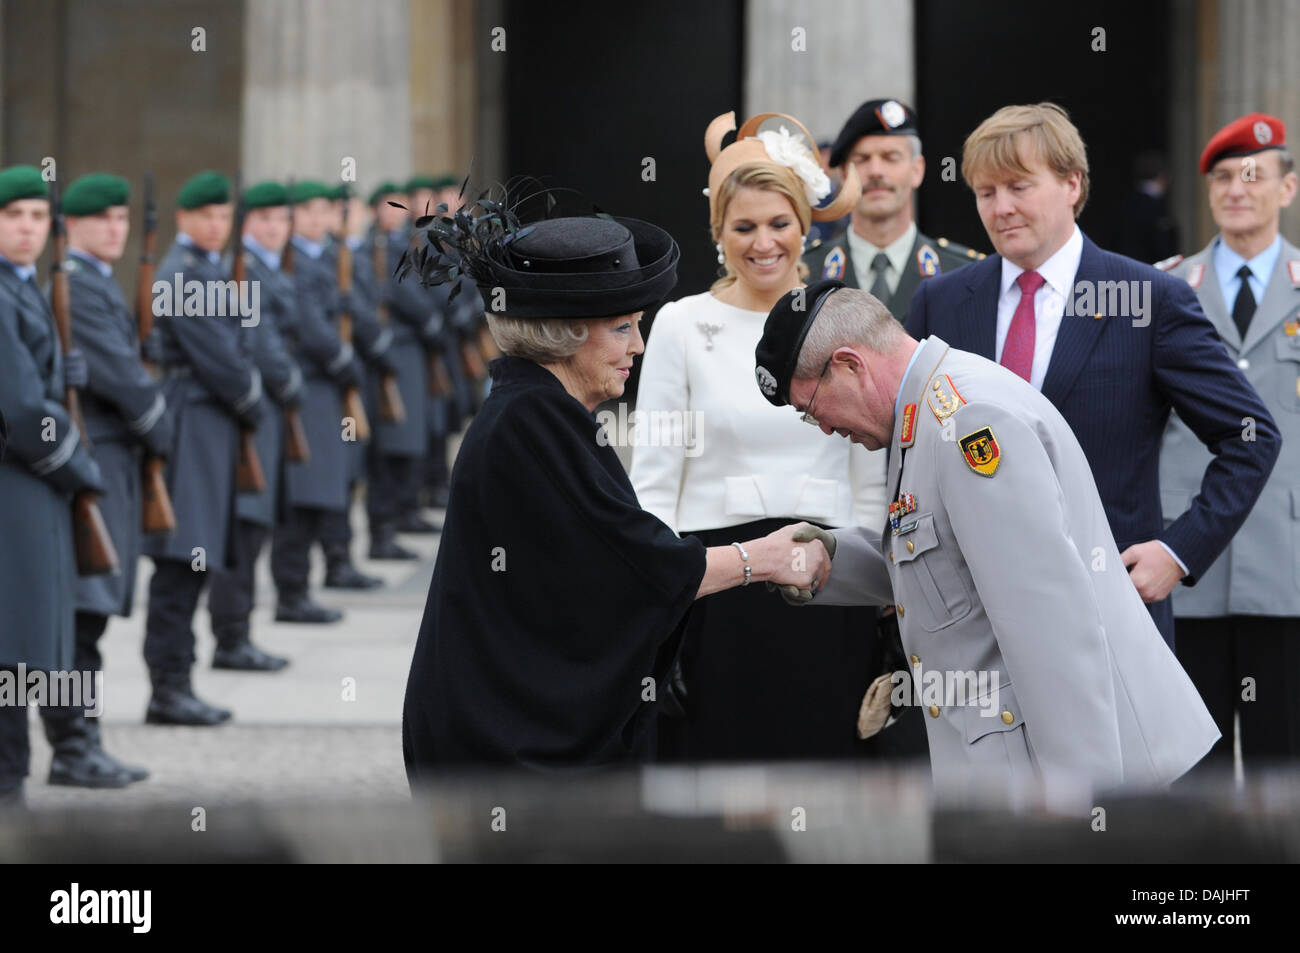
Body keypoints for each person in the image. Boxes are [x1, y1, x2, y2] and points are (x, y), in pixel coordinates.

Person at [401, 201, 831, 775]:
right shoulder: (530, 420)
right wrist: (763, 557)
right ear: (563, 334)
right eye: (622, 328)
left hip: (510, 728)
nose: (639, 347)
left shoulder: (543, 410)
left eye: (638, 325)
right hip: (504, 744)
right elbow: (635, 565)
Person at [755, 281, 1221, 799]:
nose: (822, 428)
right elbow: (946, 570)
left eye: (811, 407)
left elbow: (1049, 623)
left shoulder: (967, 421)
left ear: (850, 365)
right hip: (1012, 761)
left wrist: (1085, 805)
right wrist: (827, 558)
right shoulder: (926, 414)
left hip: (1061, 775)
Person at [905, 103, 1281, 648]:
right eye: (986, 193)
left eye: (1018, 187)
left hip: (1109, 616)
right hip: (974, 619)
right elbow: (910, 453)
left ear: (1072, 184)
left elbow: (1251, 436)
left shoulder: (1148, 299)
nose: (1001, 208)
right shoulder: (940, 302)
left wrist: (1178, 552)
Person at [631, 110, 890, 761]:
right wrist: (661, 614)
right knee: (720, 793)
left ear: (805, 225)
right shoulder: (681, 324)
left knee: (829, 783)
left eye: (779, 223)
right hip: (717, 593)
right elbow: (654, 485)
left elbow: (871, 480)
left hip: (830, 582)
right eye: (743, 226)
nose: (763, 242)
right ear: (718, 230)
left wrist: (879, 601)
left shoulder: (848, 318)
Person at [1158, 112, 1300, 772]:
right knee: (1191, 768)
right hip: (1187, 559)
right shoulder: (1164, 291)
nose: (1236, 189)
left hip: (1288, 565)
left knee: (1284, 768)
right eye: (1222, 176)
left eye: (1253, 175)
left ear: (1287, 188)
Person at [41, 173, 169, 784]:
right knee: (80, 620)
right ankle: (72, 747)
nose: (116, 229)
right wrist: (159, 427)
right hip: (96, 460)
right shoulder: (79, 290)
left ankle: (81, 742)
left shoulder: (93, 284)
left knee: (85, 619)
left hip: (109, 462)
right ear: (74, 226)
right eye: (105, 221)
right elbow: (123, 378)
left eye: (122, 219)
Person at [0, 165, 104, 804]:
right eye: (14, 216)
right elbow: (17, 410)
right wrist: (79, 464)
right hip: (19, 485)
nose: (28, 228)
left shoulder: (23, 288)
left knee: (25, 642)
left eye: (38, 217)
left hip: (30, 489)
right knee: (12, 644)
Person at [143, 170, 262, 725]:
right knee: (180, 564)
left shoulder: (207, 269)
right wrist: (253, 397)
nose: (218, 225)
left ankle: (178, 683)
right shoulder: (185, 273)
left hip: (209, 425)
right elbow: (221, 360)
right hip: (193, 423)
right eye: (207, 216)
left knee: (196, 561)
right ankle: (168, 687)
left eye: (223, 216)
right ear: (183, 219)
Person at [205, 180, 301, 670]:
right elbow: (262, 347)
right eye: (263, 220)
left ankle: (238, 632)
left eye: (280, 220)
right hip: (255, 414)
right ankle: (230, 637)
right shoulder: (247, 273)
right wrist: (291, 384)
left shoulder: (264, 269)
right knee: (244, 529)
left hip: (265, 415)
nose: (273, 228)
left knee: (255, 527)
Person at [270, 179, 360, 622]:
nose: (315, 219)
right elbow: (309, 326)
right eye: (306, 211)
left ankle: (305, 584)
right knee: (301, 492)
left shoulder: (326, 257)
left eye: (322, 210)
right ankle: (291, 590)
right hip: (306, 384)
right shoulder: (291, 263)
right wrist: (342, 357)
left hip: (323, 390)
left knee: (324, 485)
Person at [804, 99, 983, 323]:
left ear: (917, 171)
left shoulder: (963, 273)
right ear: (842, 175)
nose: (876, 171)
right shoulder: (805, 272)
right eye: (862, 159)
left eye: (891, 158)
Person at [353, 181, 441, 557]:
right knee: (391, 444)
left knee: (408, 439)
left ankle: (396, 519)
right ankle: (383, 529)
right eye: (391, 206)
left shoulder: (405, 243)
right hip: (393, 351)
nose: (397, 213)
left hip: (406, 352)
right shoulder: (376, 250)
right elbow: (401, 289)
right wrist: (429, 319)